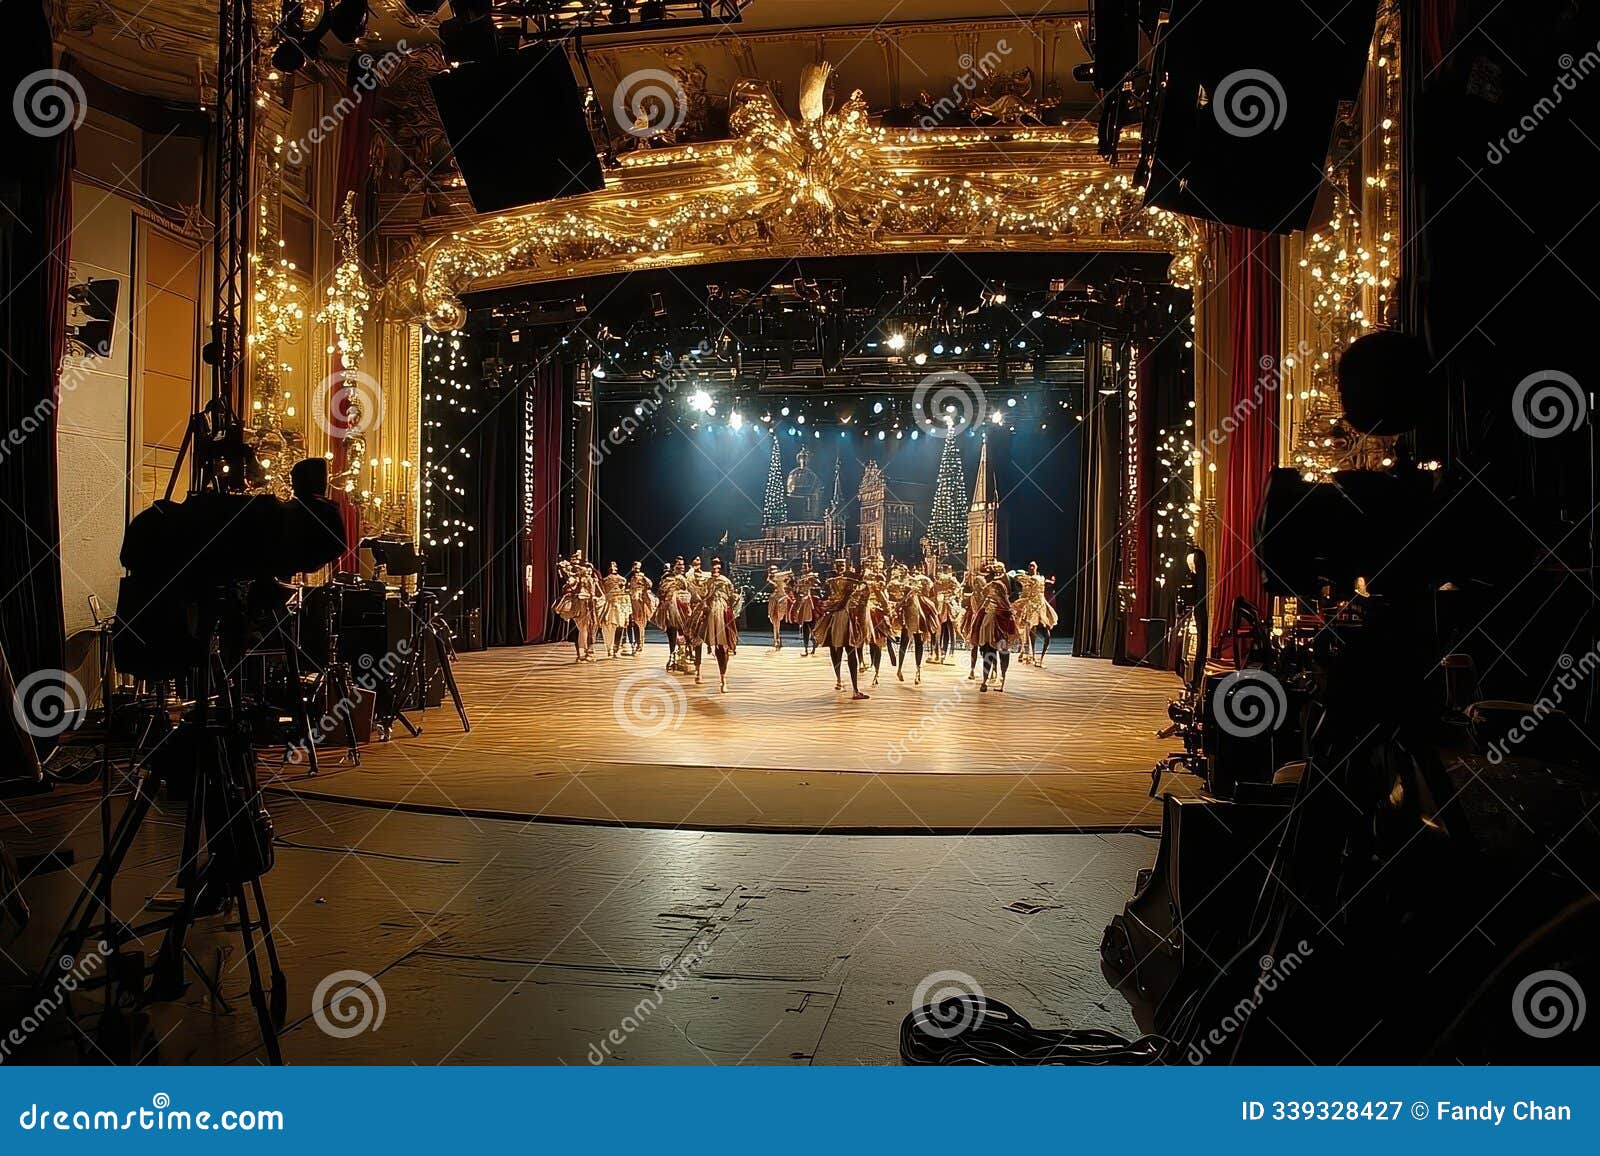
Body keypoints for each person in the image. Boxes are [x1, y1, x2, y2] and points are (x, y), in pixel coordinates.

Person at [816, 557, 867, 699]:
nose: (840, 567)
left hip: (845, 615)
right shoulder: (832, 582)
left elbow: (860, 592)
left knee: (848, 651)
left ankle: (854, 688)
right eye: (838, 565)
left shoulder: (850, 581)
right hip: (838, 616)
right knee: (837, 649)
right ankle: (841, 681)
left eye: (842, 565)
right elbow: (828, 598)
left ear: (846, 566)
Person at [688, 557, 739, 692]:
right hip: (708, 610)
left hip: (722, 612)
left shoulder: (726, 581)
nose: (715, 568)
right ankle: (698, 670)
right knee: (697, 635)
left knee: (723, 646)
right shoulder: (707, 581)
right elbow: (702, 594)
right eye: (713, 565)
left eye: (718, 566)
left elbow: (731, 597)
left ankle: (723, 679)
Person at [970, 560, 1021, 692]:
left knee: (1001, 652)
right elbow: (983, 603)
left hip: (998, 624)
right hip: (988, 622)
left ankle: (999, 679)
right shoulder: (988, 587)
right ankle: (986, 680)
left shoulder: (1000, 586)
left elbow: (1005, 603)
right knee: (988, 651)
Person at [554, 552, 602, 662]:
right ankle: (582, 653)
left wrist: (595, 598)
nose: (588, 571)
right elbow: (569, 585)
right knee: (582, 629)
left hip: (590, 605)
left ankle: (588, 651)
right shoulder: (578, 579)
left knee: (590, 628)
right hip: (580, 605)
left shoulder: (591, 580)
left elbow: (599, 594)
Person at [1011, 561, 1058, 667]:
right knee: (1031, 631)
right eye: (1030, 566)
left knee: (1047, 633)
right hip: (1030, 607)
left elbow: (1046, 583)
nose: (1031, 567)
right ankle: (1030, 655)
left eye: (1033, 566)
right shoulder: (1024, 578)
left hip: (1041, 606)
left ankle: (1041, 658)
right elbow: (1015, 578)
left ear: (1036, 567)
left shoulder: (1041, 578)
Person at [896, 571, 938, 684]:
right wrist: (908, 595)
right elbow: (899, 606)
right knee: (903, 645)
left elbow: (931, 609)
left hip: (919, 623)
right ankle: (899, 668)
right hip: (908, 621)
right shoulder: (907, 594)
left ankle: (918, 671)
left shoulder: (925, 601)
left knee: (918, 645)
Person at [655, 556, 693, 672]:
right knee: (672, 633)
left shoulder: (685, 578)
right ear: (673, 566)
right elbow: (661, 593)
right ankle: (672, 656)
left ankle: (687, 655)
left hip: (684, 608)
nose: (682, 567)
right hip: (671, 609)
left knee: (686, 633)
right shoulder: (667, 579)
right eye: (679, 565)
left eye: (683, 564)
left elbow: (690, 592)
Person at [931, 564, 964, 664]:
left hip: (949, 605)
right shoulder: (938, 581)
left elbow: (958, 589)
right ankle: (941, 652)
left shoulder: (950, 579)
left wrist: (951, 596)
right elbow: (934, 592)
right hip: (941, 606)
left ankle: (950, 653)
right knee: (942, 629)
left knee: (950, 629)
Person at [600, 561, 633, 658]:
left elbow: (626, 602)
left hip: (619, 606)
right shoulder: (604, 581)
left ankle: (615, 648)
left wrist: (627, 615)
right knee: (608, 628)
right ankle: (610, 648)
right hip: (608, 606)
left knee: (619, 627)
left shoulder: (622, 581)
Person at [790, 560, 820, 655]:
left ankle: (814, 644)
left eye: (805, 567)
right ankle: (806, 648)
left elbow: (818, 584)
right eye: (803, 567)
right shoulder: (800, 579)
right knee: (805, 628)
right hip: (801, 603)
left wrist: (811, 581)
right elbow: (797, 591)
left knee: (811, 626)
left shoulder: (812, 576)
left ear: (809, 568)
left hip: (808, 602)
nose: (804, 569)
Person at [626, 562, 657, 657]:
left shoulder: (642, 577)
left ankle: (639, 646)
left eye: (638, 568)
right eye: (635, 567)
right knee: (633, 624)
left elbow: (650, 585)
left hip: (640, 602)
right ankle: (634, 644)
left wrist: (644, 578)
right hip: (631, 603)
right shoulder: (631, 578)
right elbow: (629, 589)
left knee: (640, 625)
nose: (636, 569)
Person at [765, 564, 794, 650]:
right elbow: (772, 579)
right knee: (775, 622)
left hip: (783, 599)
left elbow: (787, 579)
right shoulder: (774, 578)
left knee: (777, 620)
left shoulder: (780, 577)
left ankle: (777, 638)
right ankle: (776, 639)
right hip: (775, 599)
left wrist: (789, 575)